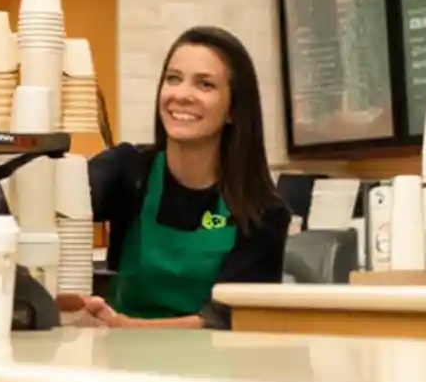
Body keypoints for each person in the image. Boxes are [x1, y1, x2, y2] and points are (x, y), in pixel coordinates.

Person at [80, 26, 290, 330]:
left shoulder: (261, 212)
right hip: (121, 366)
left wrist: (130, 328)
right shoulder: (129, 171)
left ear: (233, 109)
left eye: (204, 84)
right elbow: (69, 194)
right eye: (173, 79)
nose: (181, 95)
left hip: (214, 369)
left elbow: (231, 318)